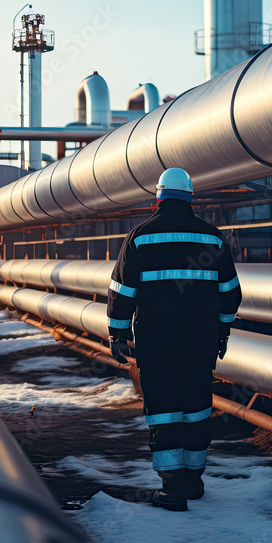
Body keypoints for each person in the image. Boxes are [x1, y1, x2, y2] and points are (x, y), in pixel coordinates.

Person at [106, 167, 242, 511]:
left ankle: (172, 487)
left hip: (157, 344)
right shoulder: (213, 239)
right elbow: (230, 293)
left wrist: (117, 334)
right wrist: (222, 330)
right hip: (199, 343)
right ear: (191, 197)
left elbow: (122, 292)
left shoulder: (140, 237)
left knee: (164, 410)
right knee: (196, 408)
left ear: (158, 197)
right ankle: (194, 481)